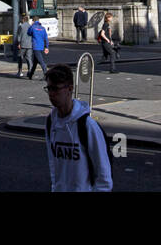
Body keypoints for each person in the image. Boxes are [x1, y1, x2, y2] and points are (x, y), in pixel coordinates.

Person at [44, 63, 112, 192]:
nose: (51, 94)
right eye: (49, 89)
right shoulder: (50, 122)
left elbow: (104, 176)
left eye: (55, 89)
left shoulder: (87, 126)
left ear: (70, 89)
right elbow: (54, 166)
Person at [26, 15, 50, 80]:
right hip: (41, 46)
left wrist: (31, 25)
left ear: (33, 21)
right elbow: (46, 38)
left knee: (41, 61)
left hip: (35, 46)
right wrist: (47, 47)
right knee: (35, 62)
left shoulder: (32, 27)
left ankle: (46, 75)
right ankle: (31, 75)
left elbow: (28, 33)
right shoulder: (42, 28)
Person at [14, 14, 33, 78]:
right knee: (29, 59)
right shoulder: (31, 26)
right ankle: (30, 71)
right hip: (30, 45)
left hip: (22, 44)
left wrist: (18, 43)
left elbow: (19, 36)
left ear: (23, 20)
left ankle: (20, 72)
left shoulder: (21, 26)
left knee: (20, 58)